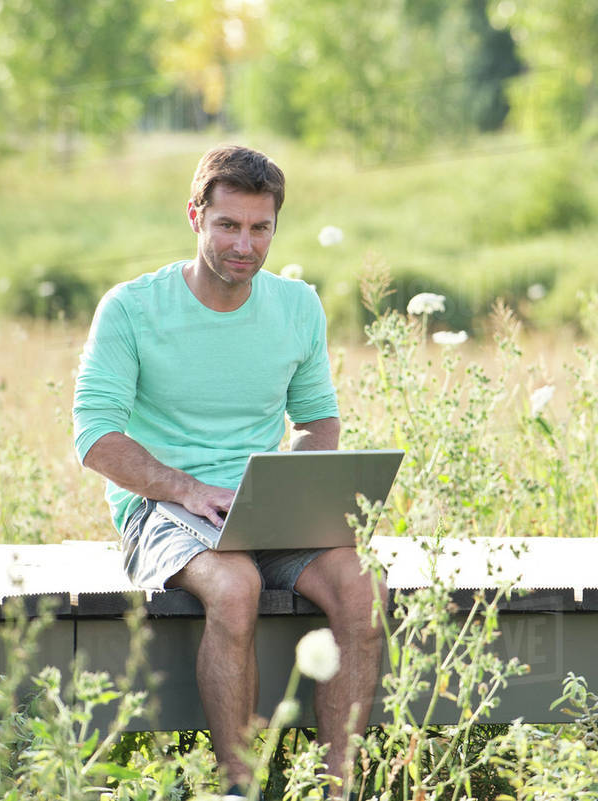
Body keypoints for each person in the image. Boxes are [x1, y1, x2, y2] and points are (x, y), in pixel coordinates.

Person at [72, 145, 385, 798]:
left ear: (275, 226)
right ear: (195, 216)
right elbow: (96, 438)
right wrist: (189, 489)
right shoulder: (131, 308)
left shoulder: (296, 307)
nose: (245, 244)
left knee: (363, 585)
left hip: (262, 503)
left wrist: (291, 489)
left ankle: (337, 787)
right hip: (163, 509)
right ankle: (240, 786)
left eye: (260, 227)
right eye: (228, 225)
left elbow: (317, 424)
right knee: (235, 586)